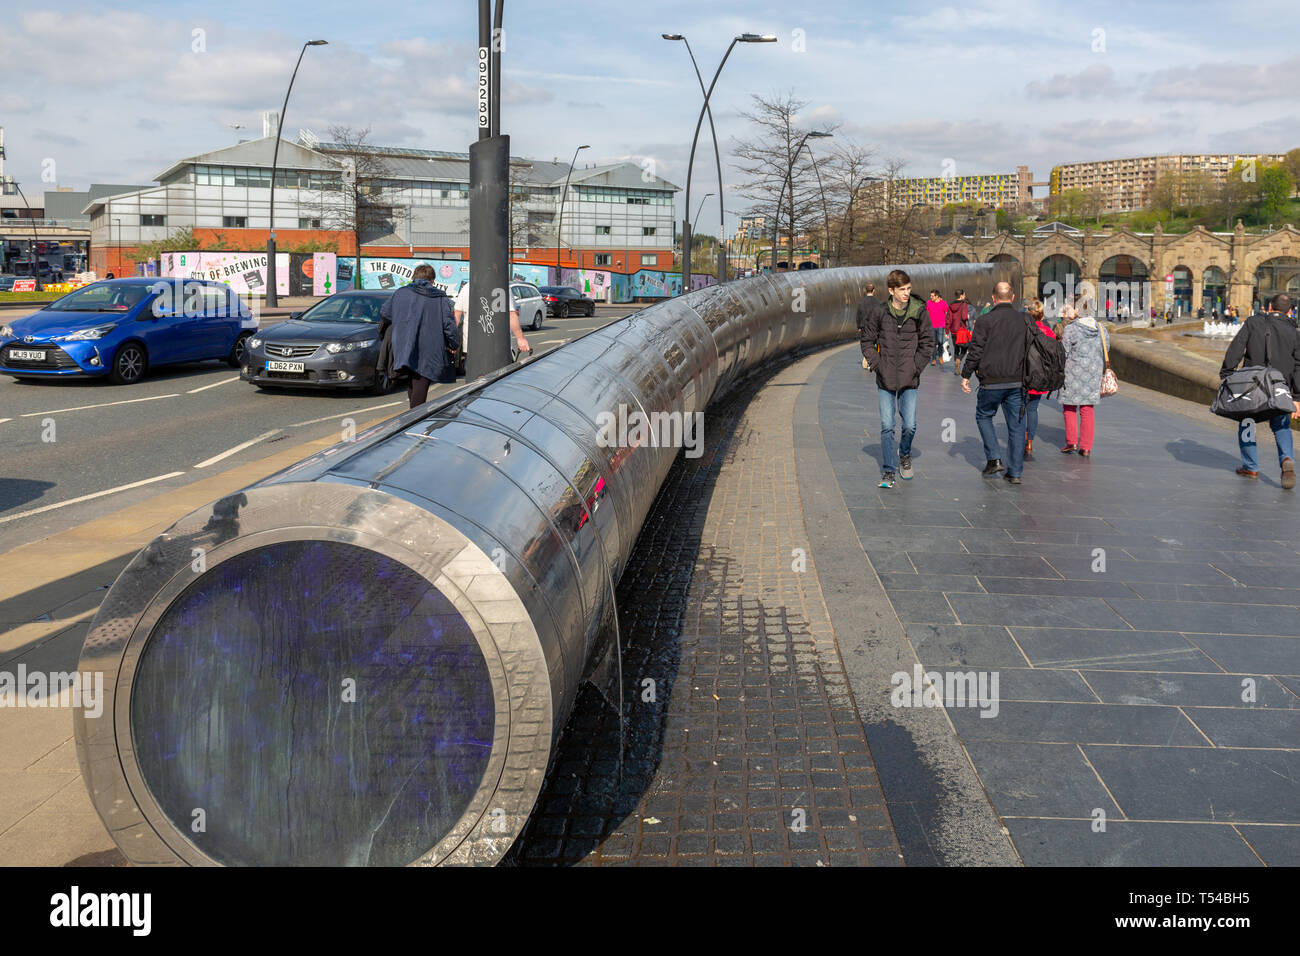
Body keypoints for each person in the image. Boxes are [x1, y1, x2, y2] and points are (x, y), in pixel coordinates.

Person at [860, 269, 932, 488]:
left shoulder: (919, 311)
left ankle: (905, 454)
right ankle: (889, 471)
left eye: (908, 289)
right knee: (887, 425)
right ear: (891, 290)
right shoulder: (879, 313)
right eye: (902, 289)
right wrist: (878, 365)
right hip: (886, 376)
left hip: (910, 377)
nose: (906, 293)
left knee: (910, 425)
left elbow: (928, 343)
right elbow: (867, 341)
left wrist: (915, 367)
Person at [1220, 293, 1300, 487]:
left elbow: (1236, 348)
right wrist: (1297, 396)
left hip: (1251, 385)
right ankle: (1286, 459)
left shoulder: (1253, 322)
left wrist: (1227, 373)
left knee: (1247, 422)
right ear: (1289, 311)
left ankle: (1251, 466)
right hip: (1280, 387)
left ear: (1269, 307)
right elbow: (1299, 364)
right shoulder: (1294, 331)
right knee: (1281, 425)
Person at [961, 281, 1029, 484]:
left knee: (983, 416)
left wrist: (966, 374)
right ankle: (1015, 473)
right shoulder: (1024, 320)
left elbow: (976, 350)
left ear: (993, 298)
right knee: (1017, 426)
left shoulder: (984, 320)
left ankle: (994, 458)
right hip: (1017, 381)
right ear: (1013, 297)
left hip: (991, 381)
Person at [382, 263, 460, 408]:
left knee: (413, 380)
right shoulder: (440, 298)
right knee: (421, 381)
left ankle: (411, 415)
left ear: (414, 278)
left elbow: (385, 313)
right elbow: (449, 325)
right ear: (432, 281)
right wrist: (453, 344)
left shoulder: (400, 293)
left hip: (404, 345)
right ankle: (413, 419)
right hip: (429, 348)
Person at [1059, 298, 1107, 457]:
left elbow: (1063, 351)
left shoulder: (1071, 329)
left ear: (1078, 311)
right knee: (1087, 409)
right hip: (1093, 373)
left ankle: (1071, 442)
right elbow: (1107, 347)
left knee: (1069, 406)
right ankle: (1086, 447)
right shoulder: (1101, 329)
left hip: (1073, 372)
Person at [453, 279, 531, 358]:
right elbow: (511, 314)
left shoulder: (467, 287)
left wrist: (452, 340)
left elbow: (457, 314)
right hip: (499, 347)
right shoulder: (503, 287)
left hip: (471, 348)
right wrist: (520, 338)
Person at [1023, 298, 1057, 458]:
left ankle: (1020, 436)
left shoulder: (1023, 330)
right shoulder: (1048, 332)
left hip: (1023, 374)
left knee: (1020, 407)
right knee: (1033, 409)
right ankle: (1030, 440)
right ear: (1042, 315)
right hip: (1040, 376)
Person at [857, 281, 884, 370]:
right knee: (875, 344)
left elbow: (859, 315)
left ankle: (867, 359)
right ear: (874, 290)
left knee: (867, 344)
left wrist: (859, 326)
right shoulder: (878, 303)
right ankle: (872, 360)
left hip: (865, 327)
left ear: (866, 290)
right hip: (875, 327)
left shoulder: (861, 303)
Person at [947, 289, 971, 376]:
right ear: (961, 296)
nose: (964, 296)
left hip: (953, 331)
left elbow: (948, 319)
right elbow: (964, 317)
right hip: (961, 330)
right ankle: (959, 360)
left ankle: (956, 369)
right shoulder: (963, 304)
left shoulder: (950, 305)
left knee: (956, 349)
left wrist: (947, 331)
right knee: (965, 347)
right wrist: (967, 316)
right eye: (964, 295)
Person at [926, 289, 948, 366]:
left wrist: (948, 325)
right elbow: (925, 313)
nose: (930, 297)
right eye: (930, 295)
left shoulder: (943, 303)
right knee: (933, 343)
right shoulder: (929, 303)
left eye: (932, 296)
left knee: (940, 342)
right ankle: (934, 359)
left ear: (937, 296)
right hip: (931, 326)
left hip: (941, 326)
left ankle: (940, 356)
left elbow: (947, 313)